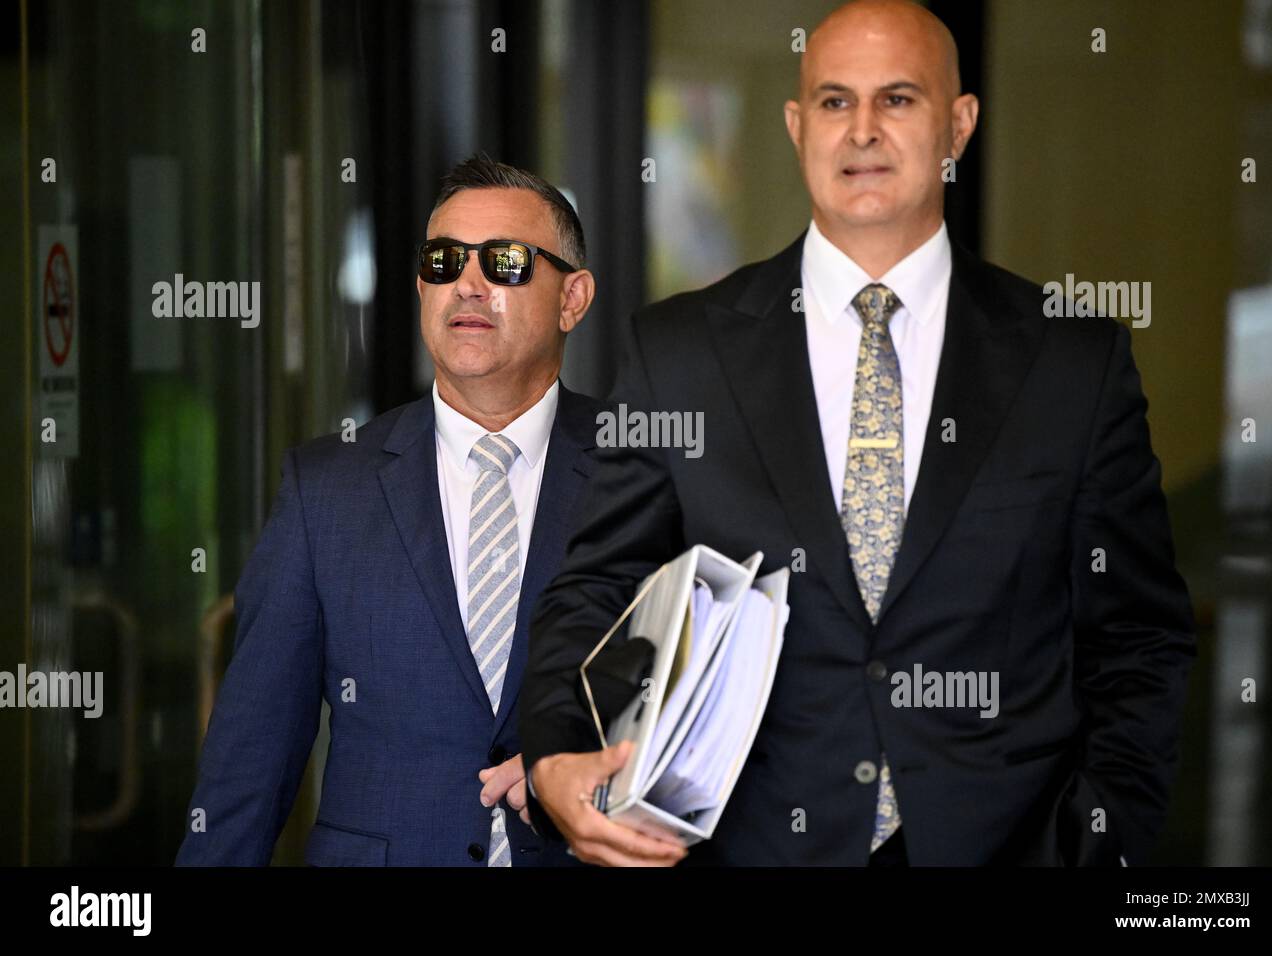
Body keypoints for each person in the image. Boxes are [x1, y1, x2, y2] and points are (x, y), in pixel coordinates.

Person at [519, 0, 1195, 866]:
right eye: (835, 102)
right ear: (799, 127)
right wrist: (554, 759)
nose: (863, 130)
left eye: (899, 99)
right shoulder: (683, 352)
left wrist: (1100, 841)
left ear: (960, 125)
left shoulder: (1073, 360)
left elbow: (1138, 640)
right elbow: (596, 588)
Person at [178, 156, 600, 866]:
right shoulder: (327, 490)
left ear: (572, 298)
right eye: (442, 261)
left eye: (505, 262)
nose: (468, 283)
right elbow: (247, 763)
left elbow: (710, 712)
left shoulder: (644, 475)